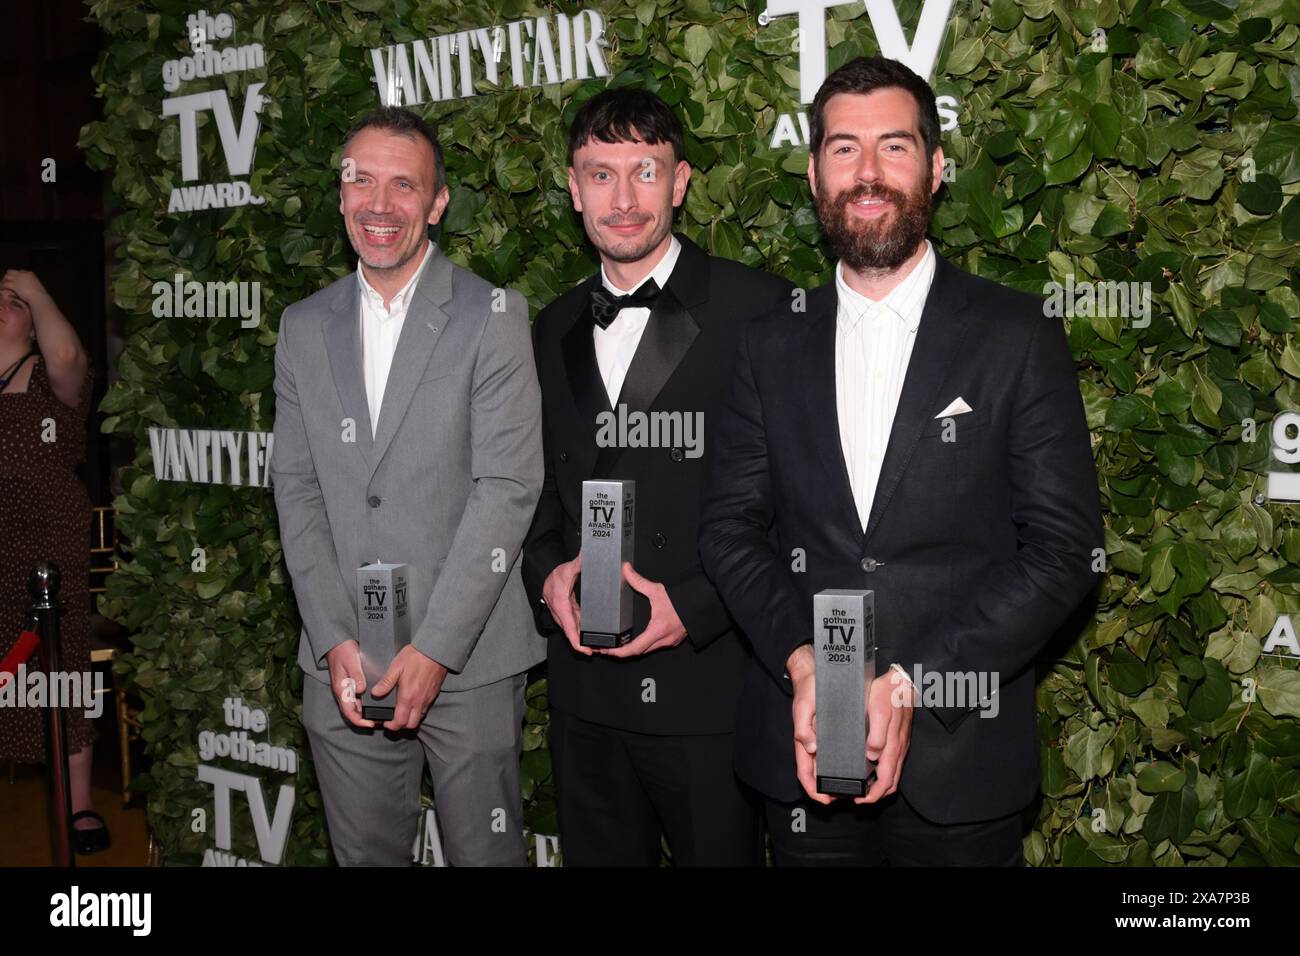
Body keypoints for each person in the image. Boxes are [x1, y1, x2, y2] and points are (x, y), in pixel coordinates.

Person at [698, 56, 1103, 866]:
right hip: (804, 754)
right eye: (844, 150)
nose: (869, 173)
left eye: (895, 146)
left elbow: (1065, 549)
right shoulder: (769, 343)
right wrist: (808, 667)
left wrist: (916, 684)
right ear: (814, 173)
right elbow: (729, 530)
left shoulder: (1016, 334)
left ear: (937, 167)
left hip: (963, 769)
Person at [522, 89, 793, 865]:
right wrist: (547, 580)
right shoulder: (553, 325)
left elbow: (797, 501)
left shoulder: (759, 308)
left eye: (646, 171)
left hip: (709, 687)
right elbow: (532, 488)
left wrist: (699, 606)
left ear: (680, 182)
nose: (625, 198)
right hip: (583, 691)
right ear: (574, 190)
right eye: (600, 175)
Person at [271, 106, 544, 866]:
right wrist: (331, 638)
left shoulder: (492, 316)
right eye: (362, 181)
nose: (380, 205)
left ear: (437, 202)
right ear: (341, 194)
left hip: (471, 659)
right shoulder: (302, 327)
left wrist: (434, 650)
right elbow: (295, 488)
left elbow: (509, 486)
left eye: (404, 185)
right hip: (344, 666)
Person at [0, 268, 107, 855]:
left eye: (13, 304)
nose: (2, 308)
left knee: (56, 661)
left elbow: (69, 352)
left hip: (46, 534)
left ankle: (80, 802)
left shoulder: (49, 376)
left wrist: (37, 288)